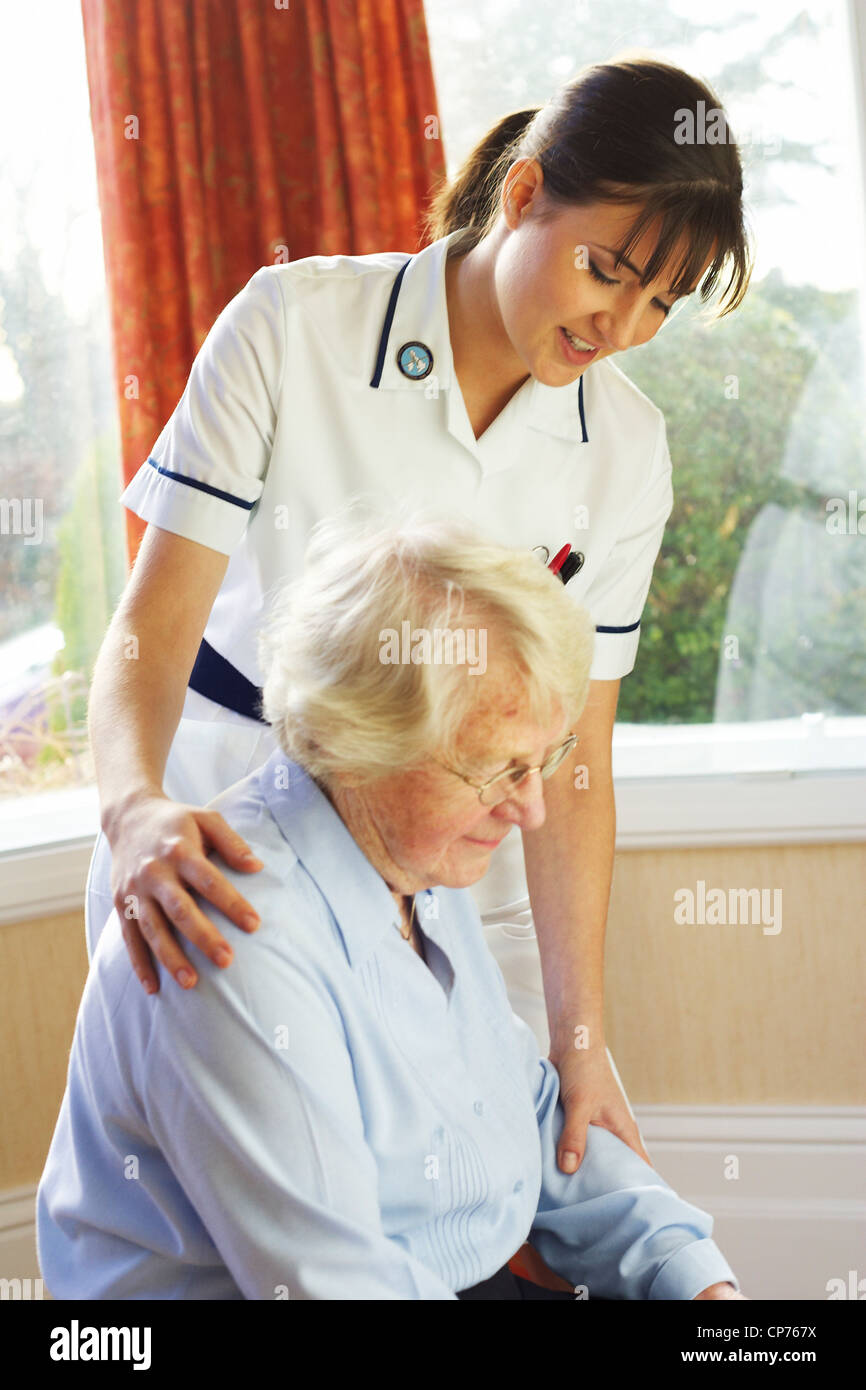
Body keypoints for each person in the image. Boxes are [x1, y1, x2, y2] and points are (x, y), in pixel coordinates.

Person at [84, 56, 752, 1177]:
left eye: (659, 305)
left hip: (455, 867)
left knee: (500, 1199)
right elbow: (149, 624)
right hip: (237, 835)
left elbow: (577, 757)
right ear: (523, 193)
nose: (620, 325)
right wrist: (134, 810)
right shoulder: (295, 324)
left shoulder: (625, 451)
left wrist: (579, 1033)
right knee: (262, 1211)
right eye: (605, 272)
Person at [39, 513, 746, 1300]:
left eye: (544, 761)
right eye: (495, 769)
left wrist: (693, 1280)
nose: (531, 810)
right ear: (357, 744)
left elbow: (532, 1117)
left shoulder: (414, 859)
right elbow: (336, 1284)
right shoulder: (235, 931)